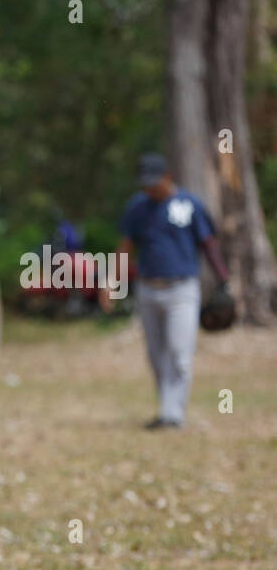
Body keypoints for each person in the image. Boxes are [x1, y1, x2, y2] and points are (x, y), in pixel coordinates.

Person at [101, 152, 230, 429]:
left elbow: (208, 244)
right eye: (144, 183)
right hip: (148, 289)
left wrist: (224, 281)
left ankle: (172, 415)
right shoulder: (137, 207)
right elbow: (125, 248)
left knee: (179, 352)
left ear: (168, 176)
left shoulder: (189, 204)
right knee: (156, 354)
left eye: (154, 181)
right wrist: (111, 282)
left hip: (182, 289)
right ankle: (167, 408)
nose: (149, 188)